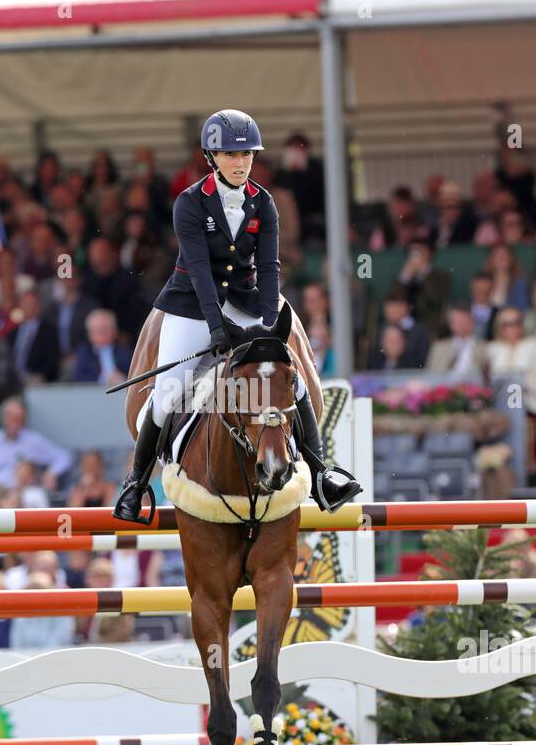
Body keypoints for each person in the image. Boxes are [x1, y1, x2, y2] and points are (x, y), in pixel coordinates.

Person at [112, 110, 362, 523]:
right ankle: (136, 484)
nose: (241, 162)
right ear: (212, 156)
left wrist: (268, 326)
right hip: (191, 305)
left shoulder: (264, 202)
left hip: (248, 301)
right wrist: (215, 328)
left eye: (246, 154)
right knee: (169, 393)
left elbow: (269, 268)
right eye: (231, 153)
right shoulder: (189, 203)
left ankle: (321, 472)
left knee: (288, 378)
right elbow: (198, 271)